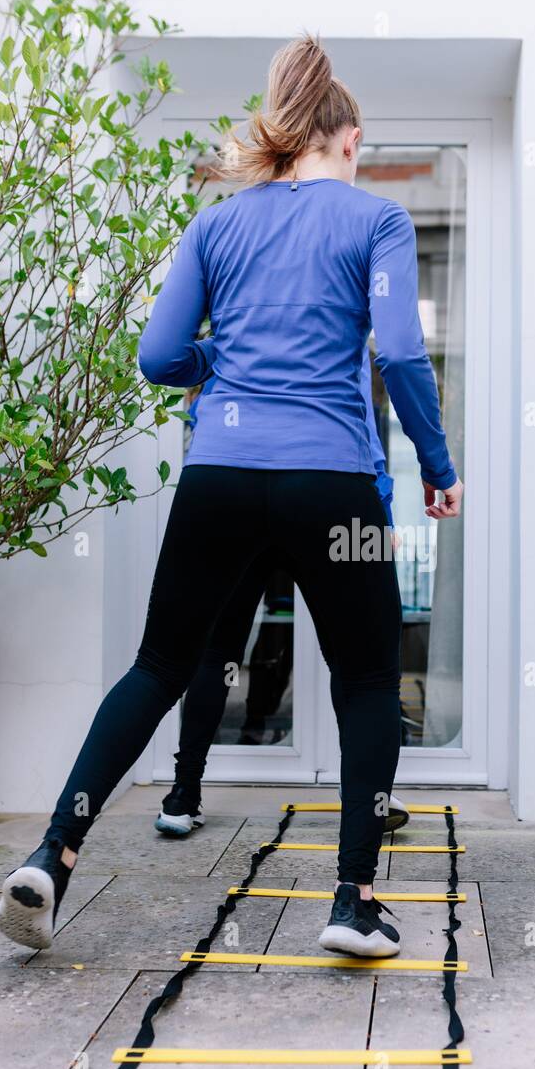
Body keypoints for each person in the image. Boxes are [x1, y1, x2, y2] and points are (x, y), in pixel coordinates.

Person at [0, 33, 462, 959]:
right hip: (333, 486)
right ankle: (352, 901)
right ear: (350, 139)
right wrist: (439, 468)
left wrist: (223, 360)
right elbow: (402, 353)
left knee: (158, 666)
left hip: (217, 480)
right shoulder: (377, 224)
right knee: (368, 681)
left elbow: (160, 358)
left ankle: (54, 853)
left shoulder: (216, 224)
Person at [158, 352, 410, 838]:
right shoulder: (342, 331)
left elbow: (198, 407)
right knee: (356, 660)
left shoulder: (237, 326)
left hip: (238, 497)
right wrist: (383, 510)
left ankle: (183, 794)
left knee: (219, 650)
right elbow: (362, 420)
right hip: (324, 498)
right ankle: (365, 792)